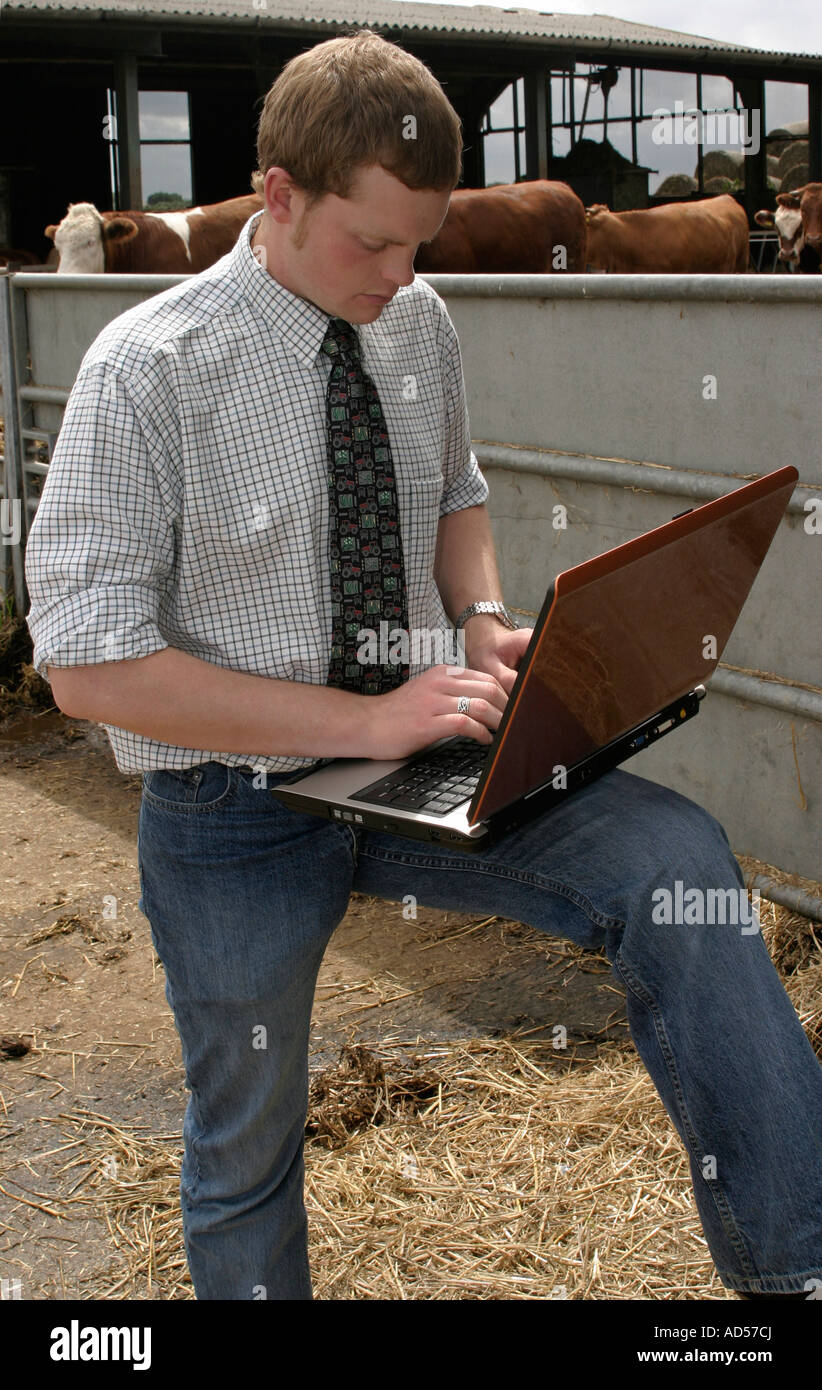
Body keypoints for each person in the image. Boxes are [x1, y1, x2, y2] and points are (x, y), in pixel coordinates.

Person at [25, 30, 822, 1302]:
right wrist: (368, 714)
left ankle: (799, 1273)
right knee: (248, 1146)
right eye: (374, 243)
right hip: (234, 806)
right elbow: (87, 668)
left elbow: (454, 493)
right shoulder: (146, 372)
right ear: (278, 195)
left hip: (428, 748)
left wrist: (483, 618)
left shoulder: (417, 323)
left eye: (422, 244)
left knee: (680, 864)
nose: (403, 278)